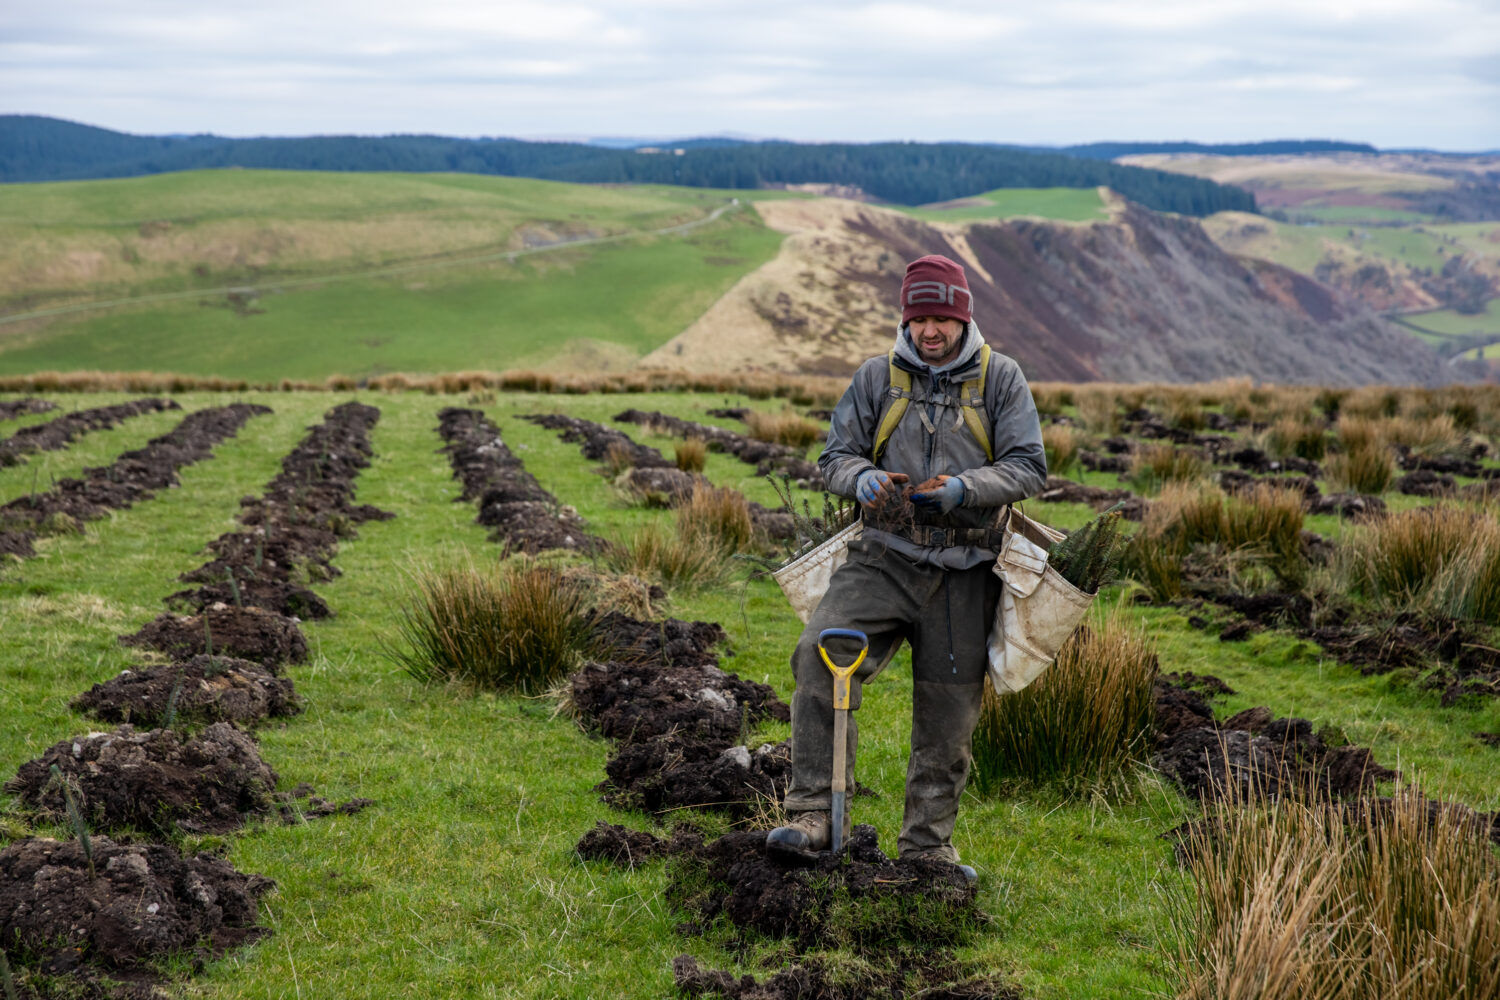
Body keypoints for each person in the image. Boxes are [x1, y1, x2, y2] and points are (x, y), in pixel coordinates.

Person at [767, 253, 1046, 880]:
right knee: (817, 653)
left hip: (965, 571)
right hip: (882, 559)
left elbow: (1029, 465)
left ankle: (925, 849)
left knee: (948, 717)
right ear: (906, 318)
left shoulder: (1001, 379)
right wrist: (861, 477)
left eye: (941, 319)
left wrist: (965, 490)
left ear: (962, 317)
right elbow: (834, 455)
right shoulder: (876, 378)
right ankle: (813, 814)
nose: (929, 332)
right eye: (919, 319)